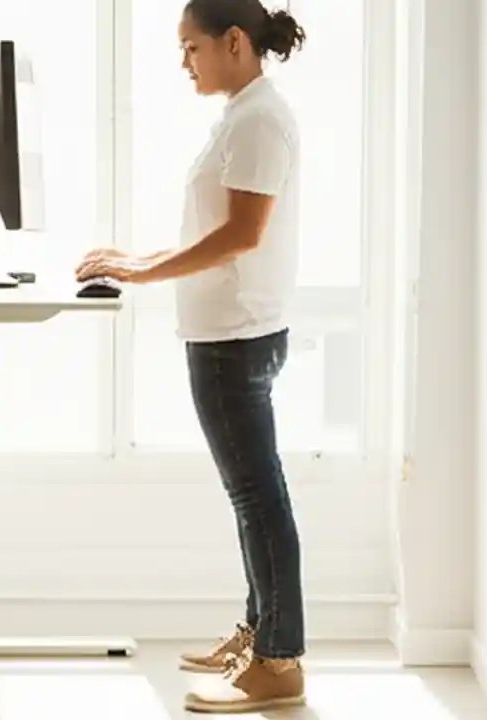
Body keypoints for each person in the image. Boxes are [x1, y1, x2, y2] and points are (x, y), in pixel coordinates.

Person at [75, 0, 307, 713]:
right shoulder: (245, 114)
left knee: (257, 498)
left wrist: (144, 274)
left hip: (234, 340)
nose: (184, 62)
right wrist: (135, 258)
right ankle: (261, 632)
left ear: (234, 41)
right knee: (252, 498)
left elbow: (240, 234)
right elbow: (215, 226)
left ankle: (279, 660)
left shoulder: (260, 120)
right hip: (228, 336)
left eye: (191, 48)